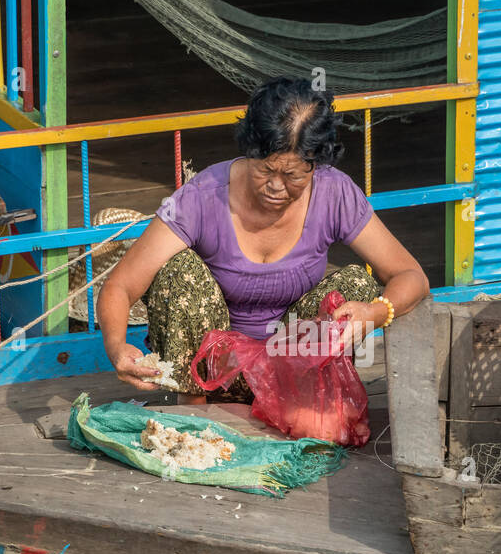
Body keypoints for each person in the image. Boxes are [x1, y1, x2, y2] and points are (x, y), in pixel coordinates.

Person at [97, 76, 430, 402]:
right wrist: (117, 347)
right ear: (248, 151)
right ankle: (195, 408)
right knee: (177, 269)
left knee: (356, 283)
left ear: (316, 165)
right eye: (266, 171)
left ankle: (304, 401)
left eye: (293, 175)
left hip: (292, 368)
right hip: (214, 370)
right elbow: (121, 286)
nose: (276, 187)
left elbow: (411, 277)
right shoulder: (202, 196)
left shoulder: (334, 192)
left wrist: (375, 312)